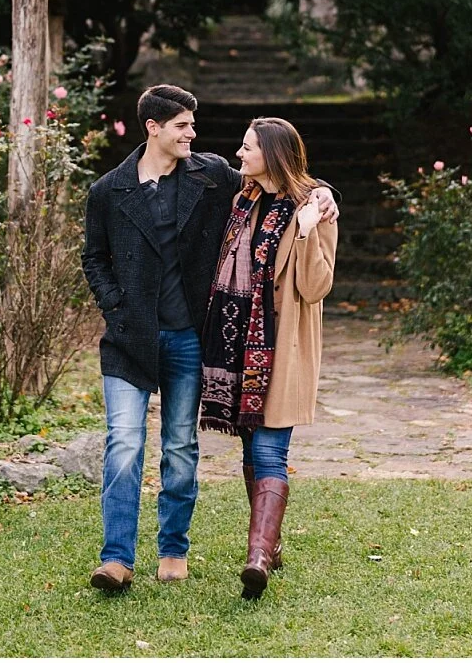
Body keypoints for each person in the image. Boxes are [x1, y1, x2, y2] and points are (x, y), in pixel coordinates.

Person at [80, 86, 339, 592]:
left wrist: (326, 191)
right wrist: (114, 303)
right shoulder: (108, 191)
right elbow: (95, 256)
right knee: (124, 446)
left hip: (189, 339)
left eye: (193, 126)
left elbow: (287, 178)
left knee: (179, 447)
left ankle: (173, 549)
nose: (193, 134)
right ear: (153, 127)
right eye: (182, 126)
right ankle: (116, 559)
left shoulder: (212, 175)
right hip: (129, 339)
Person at [199, 117, 337, 600]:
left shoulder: (314, 211)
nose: (240, 154)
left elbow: (316, 286)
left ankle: (257, 555)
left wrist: (305, 231)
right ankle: (269, 546)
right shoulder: (241, 200)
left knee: (268, 450)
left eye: (248, 147)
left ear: (273, 154)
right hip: (237, 347)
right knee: (248, 447)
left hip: (284, 348)